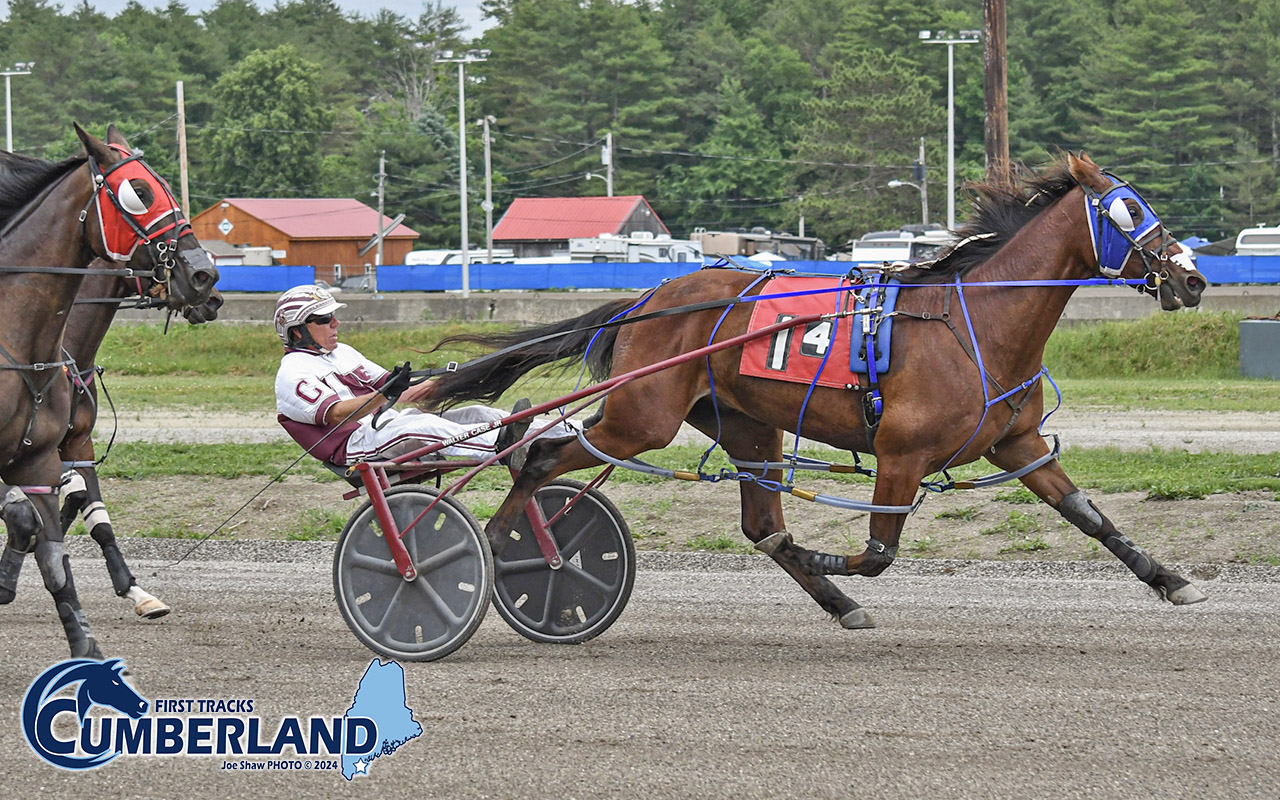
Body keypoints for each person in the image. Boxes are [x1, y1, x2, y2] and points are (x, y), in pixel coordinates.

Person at [273, 284, 557, 467]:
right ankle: (500, 446)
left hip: (384, 426)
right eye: (324, 319)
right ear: (297, 330)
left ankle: (566, 432)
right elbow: (336, 414)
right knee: (419, 424)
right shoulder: (292, 373)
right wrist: (385, 394)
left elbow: (401, 391)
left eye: (333, 315)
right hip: (356, 445)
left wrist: (466, 377)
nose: (336, 322)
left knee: (476, 414)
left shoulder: (343, 352)